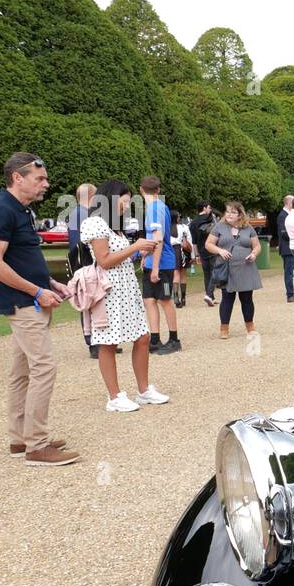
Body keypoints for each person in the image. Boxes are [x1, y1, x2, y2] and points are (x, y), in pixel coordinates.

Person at [0, 153, 78, 466]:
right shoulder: (0, 210)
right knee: (44, 367)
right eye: (40, 178)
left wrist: (51, 283)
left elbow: (21, 257)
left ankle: (20, 438)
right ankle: (37, 445)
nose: (46, 184)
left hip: (33, 297)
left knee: (21, 372)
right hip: (23, 303)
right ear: (17, 178)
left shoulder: (20, 210)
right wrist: (36, 292)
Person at [79, 179, 169, 412]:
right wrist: (134, 247)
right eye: (124, 202)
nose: (126, 207)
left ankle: (143, 390)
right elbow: (105, 261)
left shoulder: (113, 226)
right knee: (108, 342)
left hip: (126, 289)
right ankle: (114, 396)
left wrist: (139, 251)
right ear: (110, 199)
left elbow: (119, 257)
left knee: (142, 337)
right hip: (108, 291)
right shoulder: (94, 223)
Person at [206, 201, 263, 337]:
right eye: (227, 212)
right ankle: (224, 328)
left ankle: (250, 326)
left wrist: (254, 254)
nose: (229, 214)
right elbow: (208, 244)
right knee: (227, 298)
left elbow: (257, 246)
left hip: (246, 267)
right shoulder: (219, 227)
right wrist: (220, 251)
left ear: (240, 215)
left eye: (233, 212)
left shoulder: (248, 228)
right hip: (227, 268)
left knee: (247, 298)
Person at [139, 175, 181, 354]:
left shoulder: (155, 209)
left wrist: (155, 267)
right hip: (152, 261)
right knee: (149, 300)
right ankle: (154, 339)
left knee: (164, 300)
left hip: (162, 263)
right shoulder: (155, 207)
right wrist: (145, 256)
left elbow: (158, 239)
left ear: (141, 190)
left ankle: (174, 339)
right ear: (158, 190)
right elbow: (153, 238)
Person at [66, 183, 98, 358]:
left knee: (91, 301)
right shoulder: (85, 214)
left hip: (81, 262)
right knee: (89, 302)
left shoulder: (75, 214)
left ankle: (97, 340)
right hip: (86, 262)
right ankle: (93, 342)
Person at [189, 201, 218, 306]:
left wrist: (196, 255)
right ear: (205, 208)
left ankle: (211, 297)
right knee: (215, 272)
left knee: (207, 274)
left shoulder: (193, 222)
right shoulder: (211, 219)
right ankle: (209, 295)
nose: (210, 210)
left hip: (201, 250)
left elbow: (194, 241)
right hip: (212, 248)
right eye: (209, 207)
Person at [170, 213, 194, 308]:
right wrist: (192, 256)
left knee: (175, 274)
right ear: (176, 218)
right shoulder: (183, 227)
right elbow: (189, 241)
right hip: (182, 251)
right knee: (183, 275)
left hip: (170, 251)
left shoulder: (165, 228)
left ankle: (175, 296)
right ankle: (183, 298)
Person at [277, 194, 294, 302]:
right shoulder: (282, 216)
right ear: (289, 203)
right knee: (289, 273)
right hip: (287, 249)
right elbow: (284, 233)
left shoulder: (290, 215)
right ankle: (290, 295)